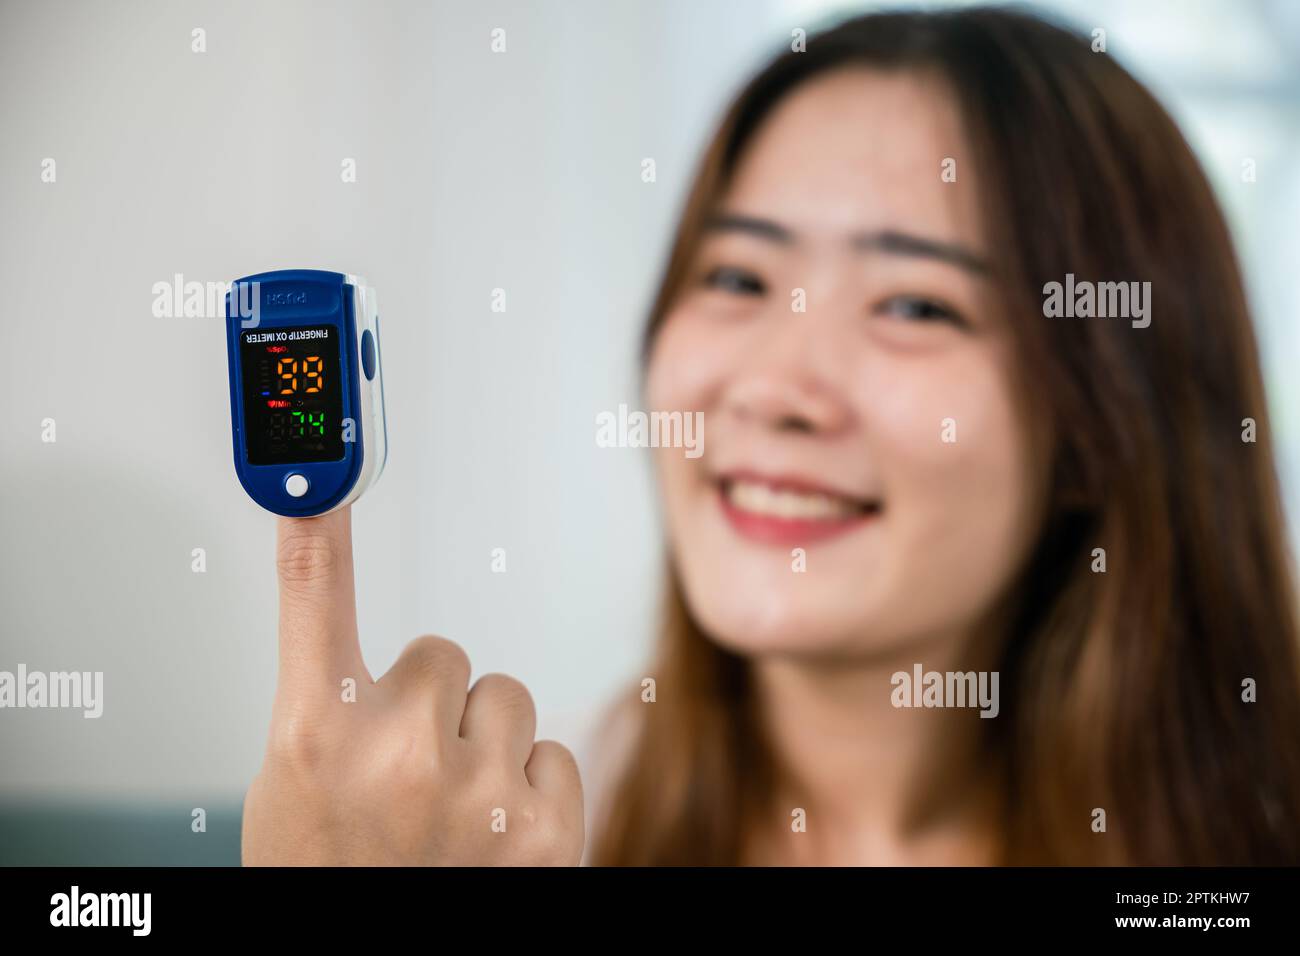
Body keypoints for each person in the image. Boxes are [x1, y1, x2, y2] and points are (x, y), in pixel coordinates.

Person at [241, 8, 1300, 867]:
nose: (774, 386)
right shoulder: (506, 839)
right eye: (739, 277)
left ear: (1100, 426)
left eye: (917, 304)